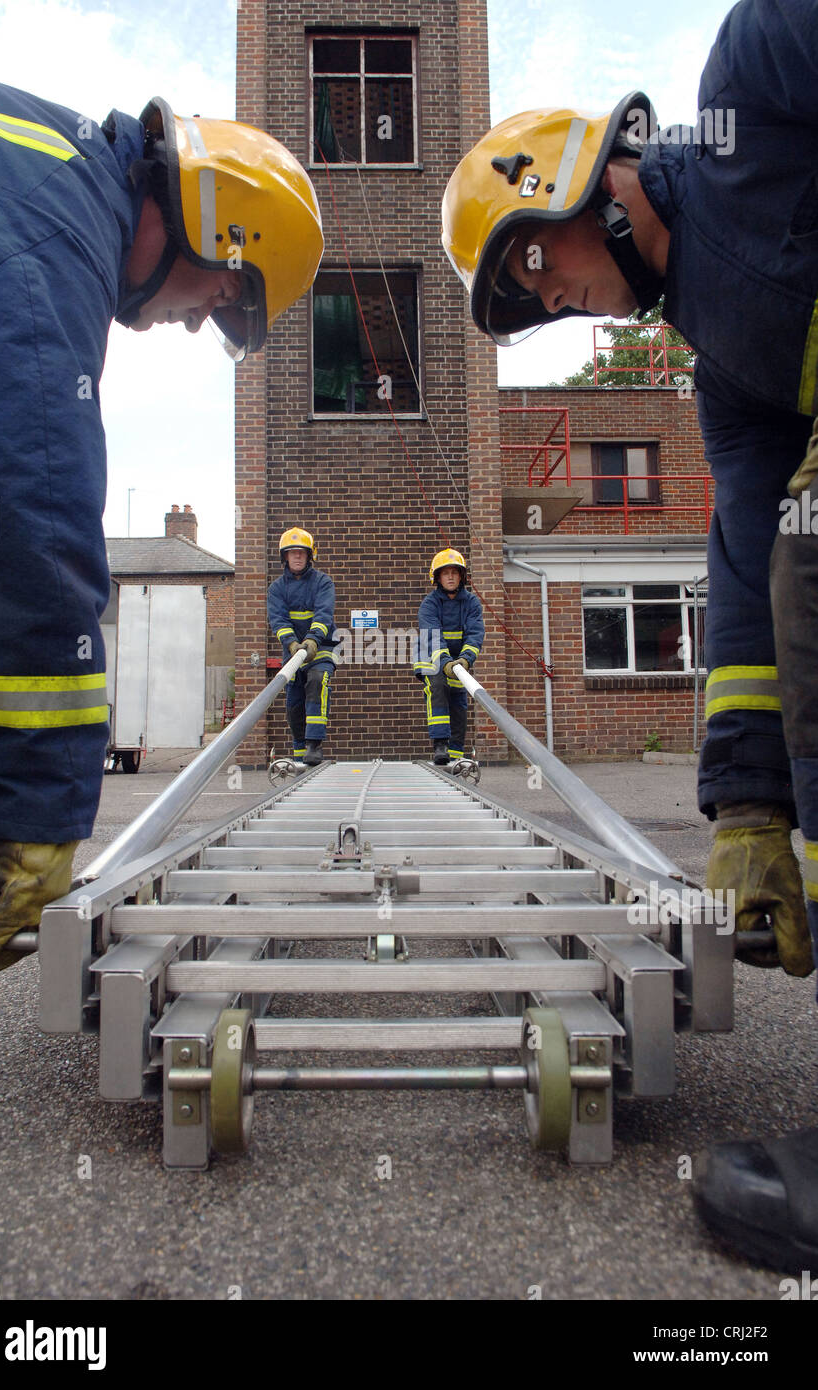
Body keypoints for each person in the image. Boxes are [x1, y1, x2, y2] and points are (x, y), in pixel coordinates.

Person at [441, 0, 818, 1271]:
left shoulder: (754, 76)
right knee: (794, 558)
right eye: (530, 308)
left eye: (533, 269)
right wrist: (747, 812)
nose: (556, 303)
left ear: (583, 181)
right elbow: (740, 557)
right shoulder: (724, 360)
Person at [0, 65, 324, 977]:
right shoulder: (47, 229)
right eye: (227, 299)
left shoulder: (33, 170)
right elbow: (28, 519)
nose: (203, 322)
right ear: (213, 224)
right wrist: (41, 821)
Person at [267, 528, 337, 765]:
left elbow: (324, 614)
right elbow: (279, 621)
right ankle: (300, 755)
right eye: (291, 552)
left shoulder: (322, 582)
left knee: (317, 681)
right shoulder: (276, 589)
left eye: (301, 552)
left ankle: (314, 745)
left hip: (321, 649)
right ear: (284, 557)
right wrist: (292, 644)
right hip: (293, 652)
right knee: (294, 704)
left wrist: (313, 639)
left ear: (310, 555)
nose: (297, 556)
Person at [413, 548, 484, 765]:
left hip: (457, 662)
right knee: (438, 688)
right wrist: (445, 662)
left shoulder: (471, 603)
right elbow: (433, 637)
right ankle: (440, 745)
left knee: (459, 703)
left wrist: (465, 659)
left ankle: (455, 753)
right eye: (445, 573)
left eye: (455, 572)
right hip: (432, 659)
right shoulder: (429, 604)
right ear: (437, 577)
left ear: (462, 576)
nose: (451, 577)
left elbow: (475, 634)